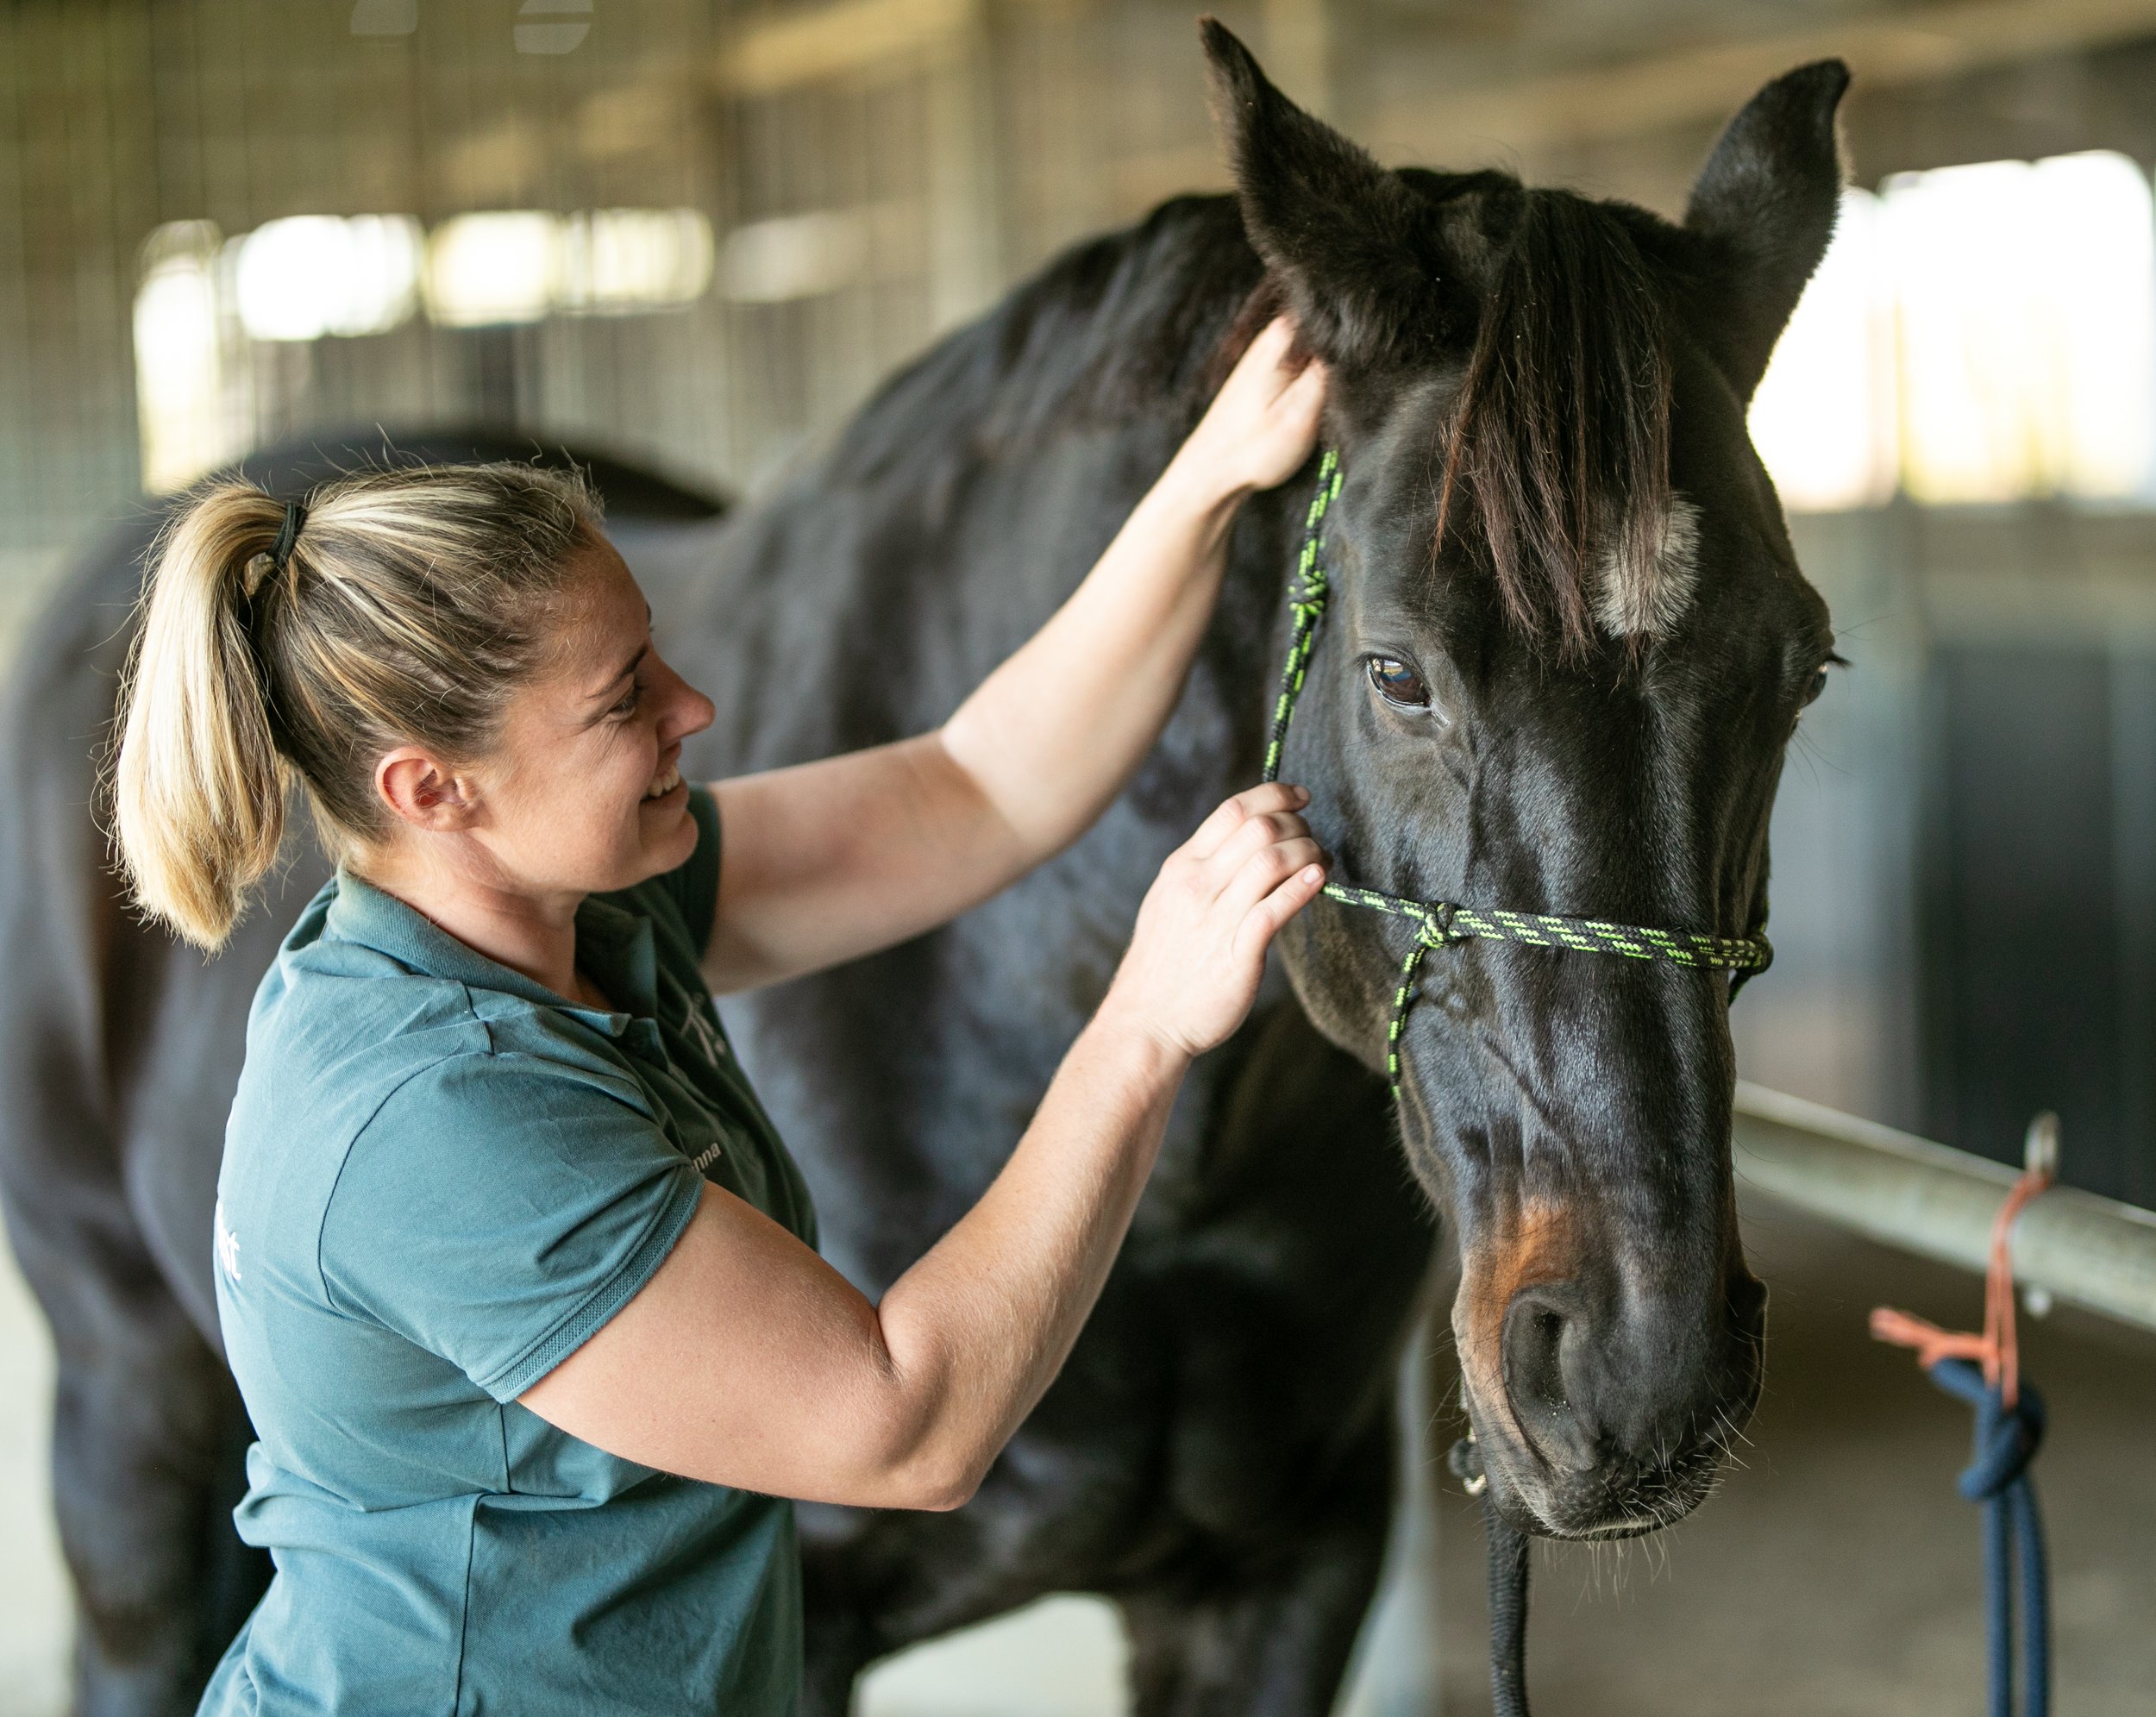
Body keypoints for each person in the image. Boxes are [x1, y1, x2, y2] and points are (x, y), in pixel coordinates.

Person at [110, 316, 1327, 1715]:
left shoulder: (578, 916)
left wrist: (1209, 484)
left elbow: (973, 790)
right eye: (624, 700)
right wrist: (1145, 1025)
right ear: (431, 789)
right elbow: (905, 1426)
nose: (694, 705)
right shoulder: (435, 1118)